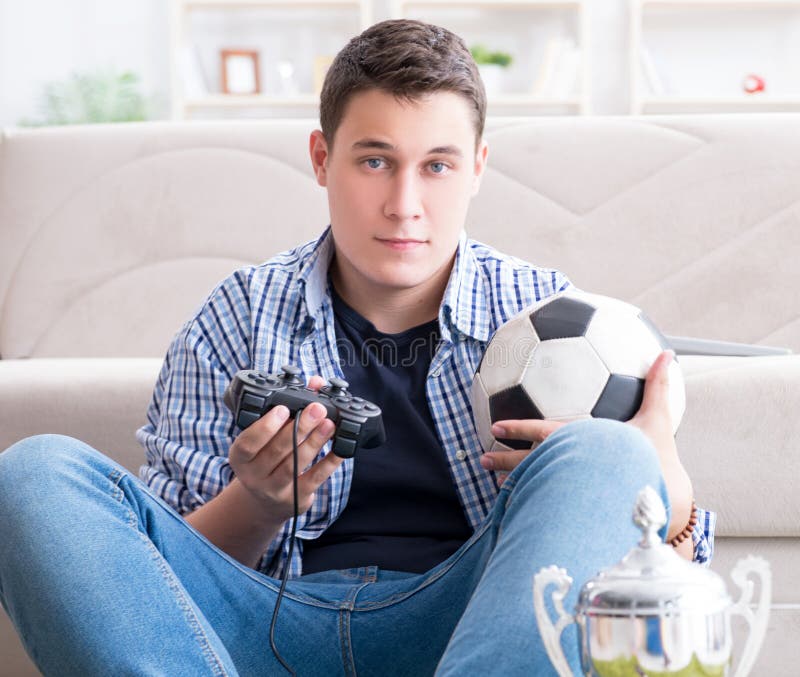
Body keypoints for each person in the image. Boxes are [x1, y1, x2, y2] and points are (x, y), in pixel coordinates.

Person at [0, 19, 714, 676]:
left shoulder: (548, 312)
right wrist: (258, 501)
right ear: (322, 157)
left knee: (611, 452)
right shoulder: (237, 314)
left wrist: (660, 470)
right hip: (254, 629)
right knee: (30, 473)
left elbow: (659, 566)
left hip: (467, 627)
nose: (405, 203)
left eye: (437, 165)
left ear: (478, 166)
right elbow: (154, 578)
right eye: (375, 162)